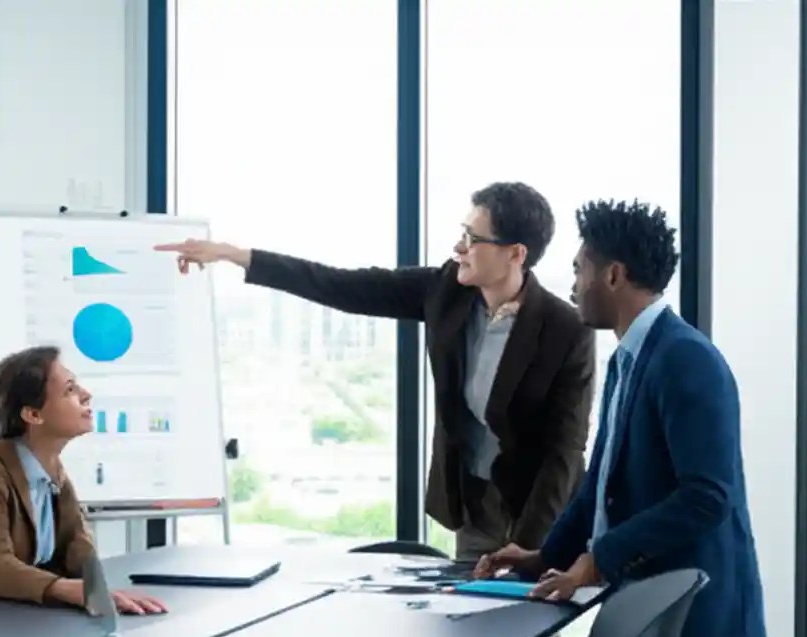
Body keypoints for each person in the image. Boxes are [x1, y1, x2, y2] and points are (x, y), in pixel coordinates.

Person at [156, 182, 595, 560]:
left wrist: (531, 546)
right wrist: (239, 256)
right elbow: (344, 285)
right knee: (476, 625)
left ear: (515, 253)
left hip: (540, 510)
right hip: (475, 505)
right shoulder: (446, 291)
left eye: (472, 238)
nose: (459, 247)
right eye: (462, 233)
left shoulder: (565, 329)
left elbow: (565, 449)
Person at [474, 200, 766, 637]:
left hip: (698, 632)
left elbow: (707, 497)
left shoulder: (686, 359)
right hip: (653, 624)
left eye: (578, 269)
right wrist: (546, 556)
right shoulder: (628, 360)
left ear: (613, 275)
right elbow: (599, 486)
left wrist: (601, 558)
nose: (571, 284)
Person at [0, 346, 166, 616]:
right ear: (33, 415)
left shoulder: (53, 471)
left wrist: (105, 592)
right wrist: (75, 590)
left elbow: (77, 548)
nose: (86, 395)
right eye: (70, 389)